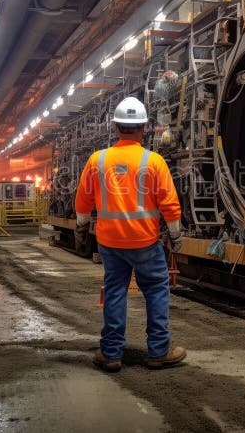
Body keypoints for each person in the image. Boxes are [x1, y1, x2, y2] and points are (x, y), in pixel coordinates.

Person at [75, 97, 185, 372]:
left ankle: (111, 353)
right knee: (156, 291)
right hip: (145, 241)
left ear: (115, 127)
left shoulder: (97, 160)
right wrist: (176, 235)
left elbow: (83, 200)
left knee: (114, 292)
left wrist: (81, 225)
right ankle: (158, 351)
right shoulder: (154, 161)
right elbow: (169, 204)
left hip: (109, 242)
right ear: (144, 127)